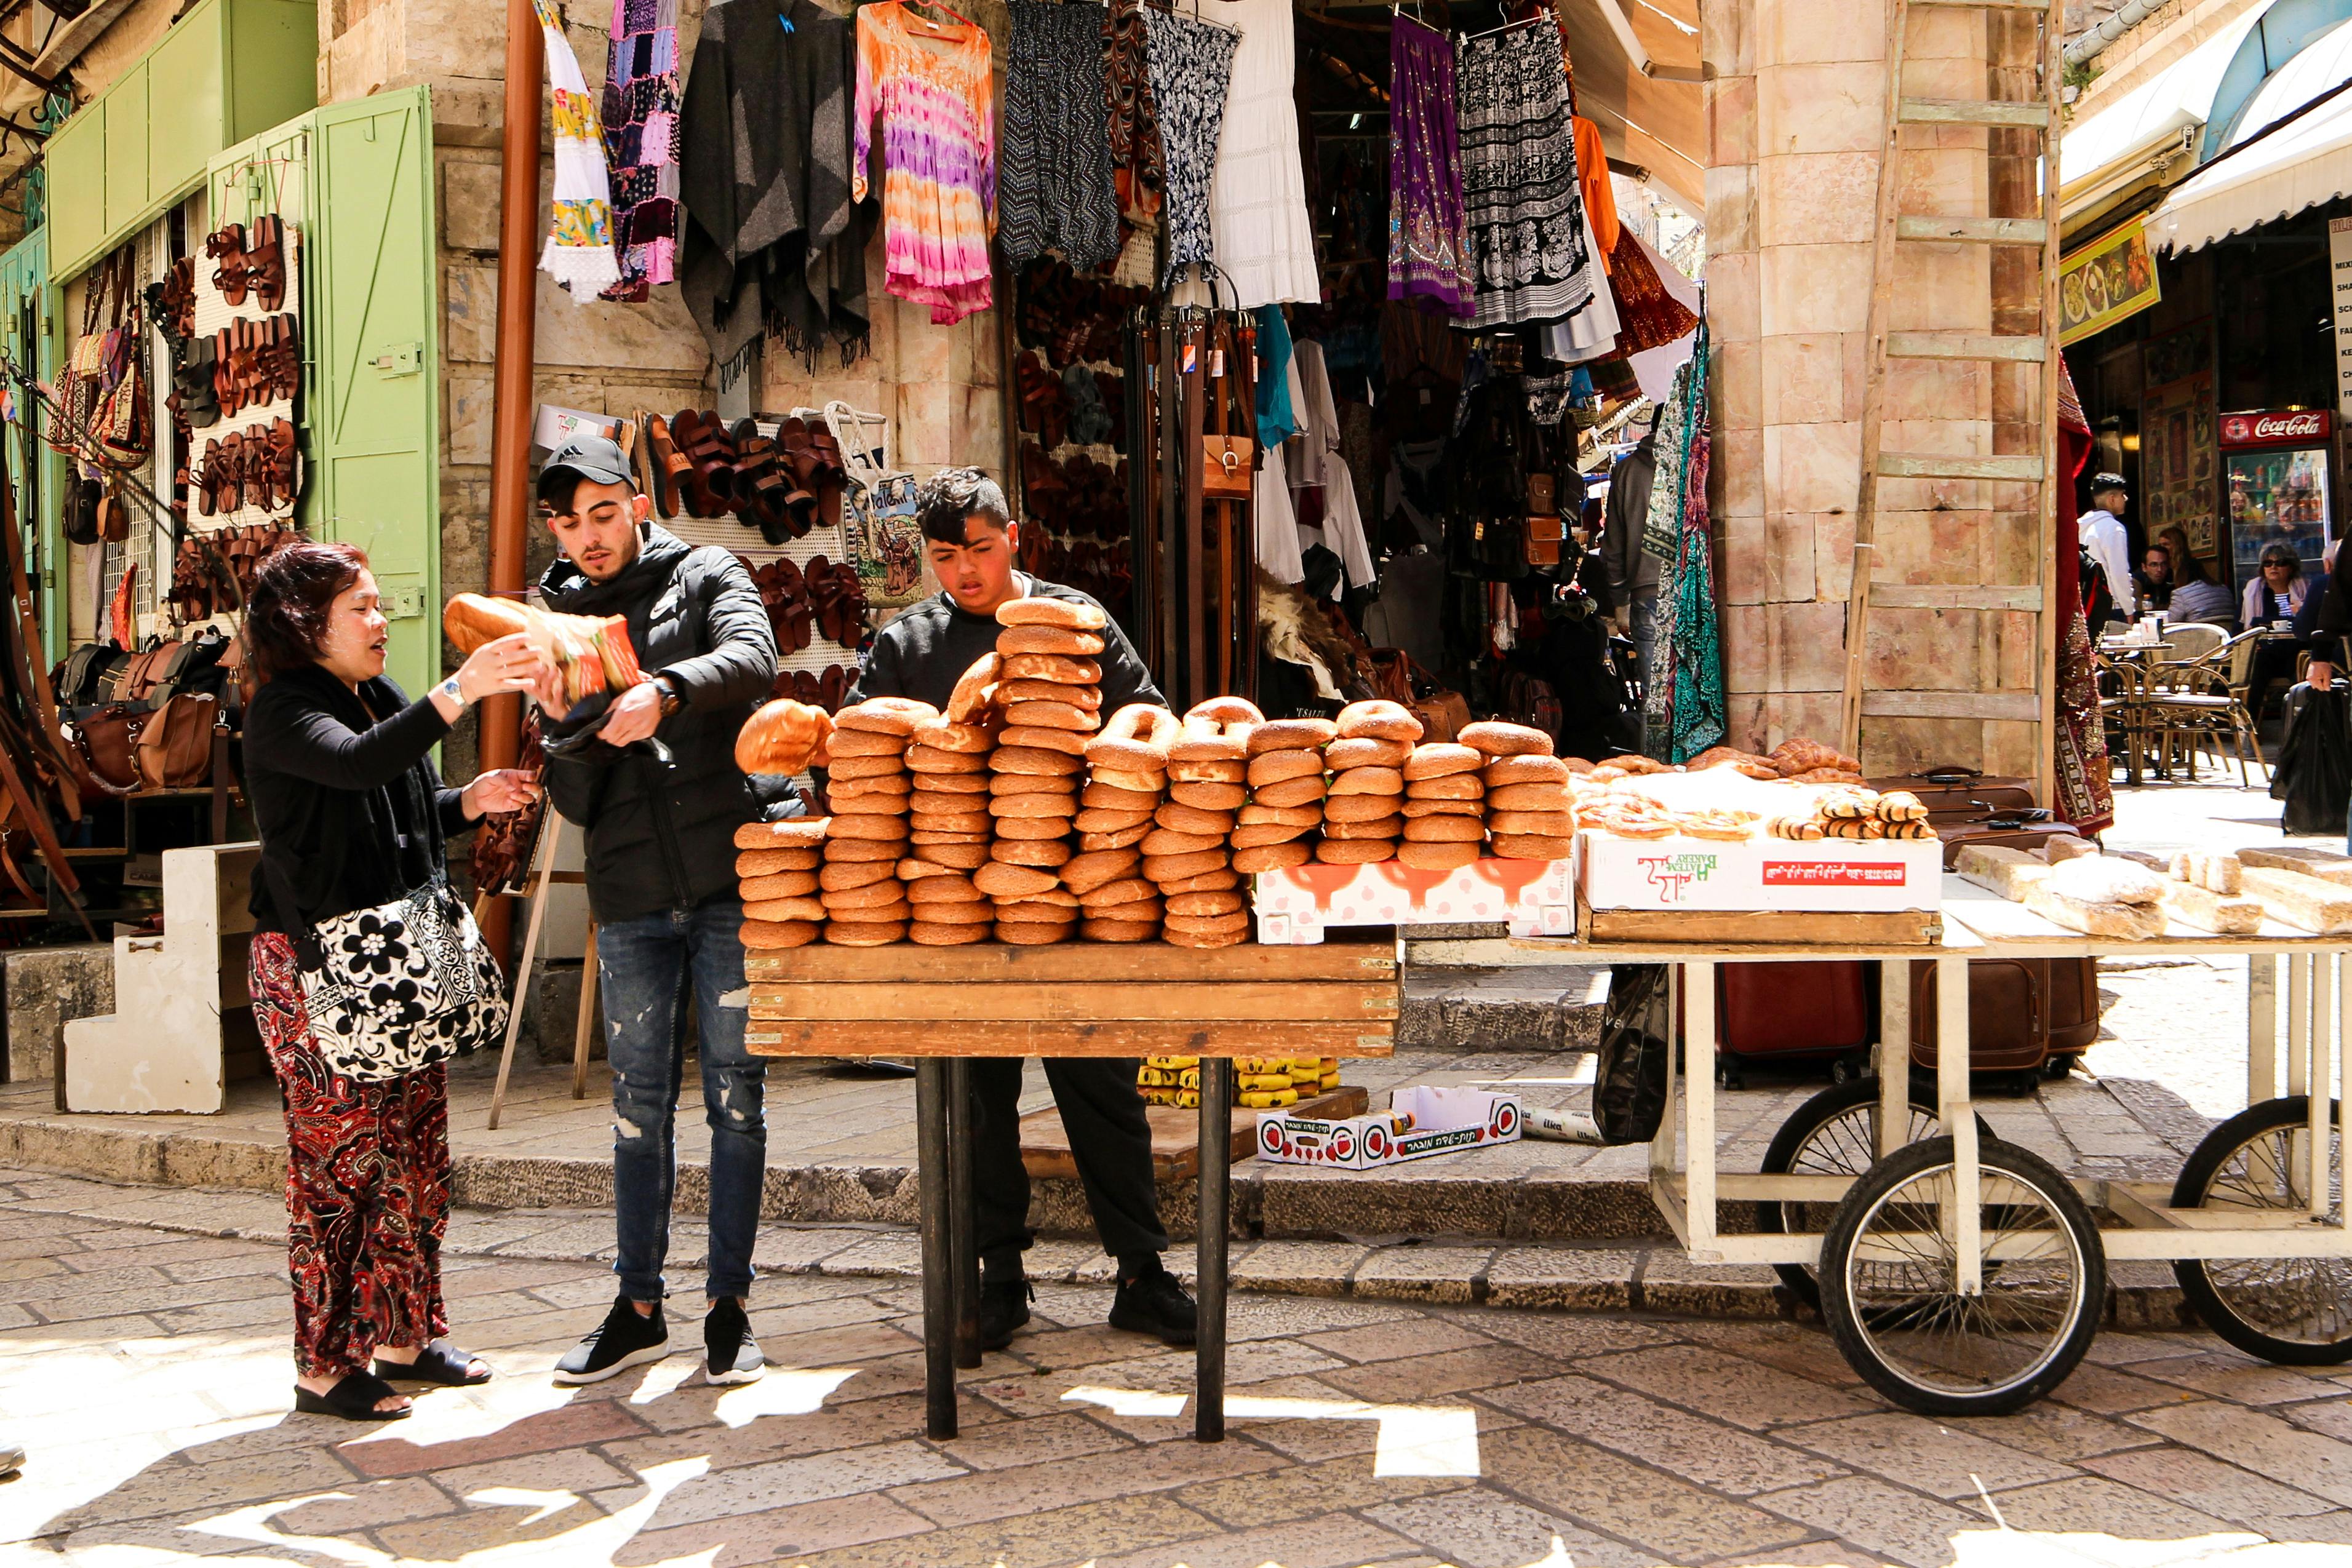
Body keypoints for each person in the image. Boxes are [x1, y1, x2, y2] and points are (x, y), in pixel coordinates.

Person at [845, 467, 1198, 1352]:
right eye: (942, 556)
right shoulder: (908, 644)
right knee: (974, 1092)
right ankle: (997, 1279)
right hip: (956, 906)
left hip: (1073, 897)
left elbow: (1149, 724)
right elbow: (857, 748)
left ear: (1015, 538)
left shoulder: (1073, 623)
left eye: (978, 548)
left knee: (1101, 1086)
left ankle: (1141, 1275)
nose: (963, 570)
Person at [242, 541, 548, 1420]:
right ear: (306, 624)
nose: (381, 621)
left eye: (379, 603)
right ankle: (324, 1363)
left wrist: (469, 800)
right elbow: (353, 765)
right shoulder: (281, 711)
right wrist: (463, 687)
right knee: (339, 1171)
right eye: (361, 608)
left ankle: (404, 1336)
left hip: (396, 959)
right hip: (315, 970)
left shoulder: (371, 694)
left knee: (414, 1154)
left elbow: (397, 799)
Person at [535, 436, 784, 1388]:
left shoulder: (707, 569)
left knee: (736, 1097)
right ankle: (638, 1306)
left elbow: (754, 657)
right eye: (567, 521)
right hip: (631, 891)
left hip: (728, 877)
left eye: (602, 513)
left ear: (635, 503)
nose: (588, 537)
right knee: (637, 1105)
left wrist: (664, 691)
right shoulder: (553, 613)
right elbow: (569, 791)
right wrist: (570, 728)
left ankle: (729, 1306)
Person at [2079, 473, 2137, 621]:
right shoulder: (2114, 529)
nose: (2126, 499)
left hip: (2087, 605)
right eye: (2122, 495)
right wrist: (2129, 610)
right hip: (2112, 608)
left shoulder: (2080, 527)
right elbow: (2119, 573)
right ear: (2112, 499)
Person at [2157, 527, 2235, 627]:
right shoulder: (2225, 590)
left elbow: (2167, 625)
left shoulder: (2181, 595)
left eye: (2166, 544)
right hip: (2225, 638)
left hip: (2197, 639)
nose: (2162, 549)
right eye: (2160, 545)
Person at [2242, 542, 2311, 627]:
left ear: (2291, 567)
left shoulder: (2307, 589)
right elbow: (2239, 629)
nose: (2273, 567)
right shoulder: (2251, 591)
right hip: (2263, 640)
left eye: (2280, 563)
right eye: (2268, 563)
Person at [2134, 544, 2172, 613]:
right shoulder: (2136, 581)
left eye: (2164, 564)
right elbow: (2140, 611)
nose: (2160, 569)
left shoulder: (2172, 580)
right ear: (2144, 568)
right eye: (2154, 565)